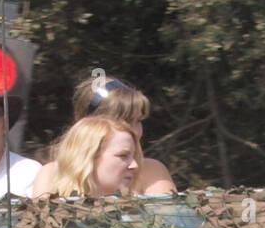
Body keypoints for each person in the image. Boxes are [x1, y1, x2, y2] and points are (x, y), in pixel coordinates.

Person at [32, 74, 176, 196]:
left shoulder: (152, 171)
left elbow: (171, 225)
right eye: (124, 121)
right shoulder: (51, 174)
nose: (135, 131)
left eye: (138, 120)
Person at [33, 116, 141, 197]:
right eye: (123, 155)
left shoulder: (139, 216)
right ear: (89, 157)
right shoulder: (51, 215)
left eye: (133, 156)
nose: (134, 165)